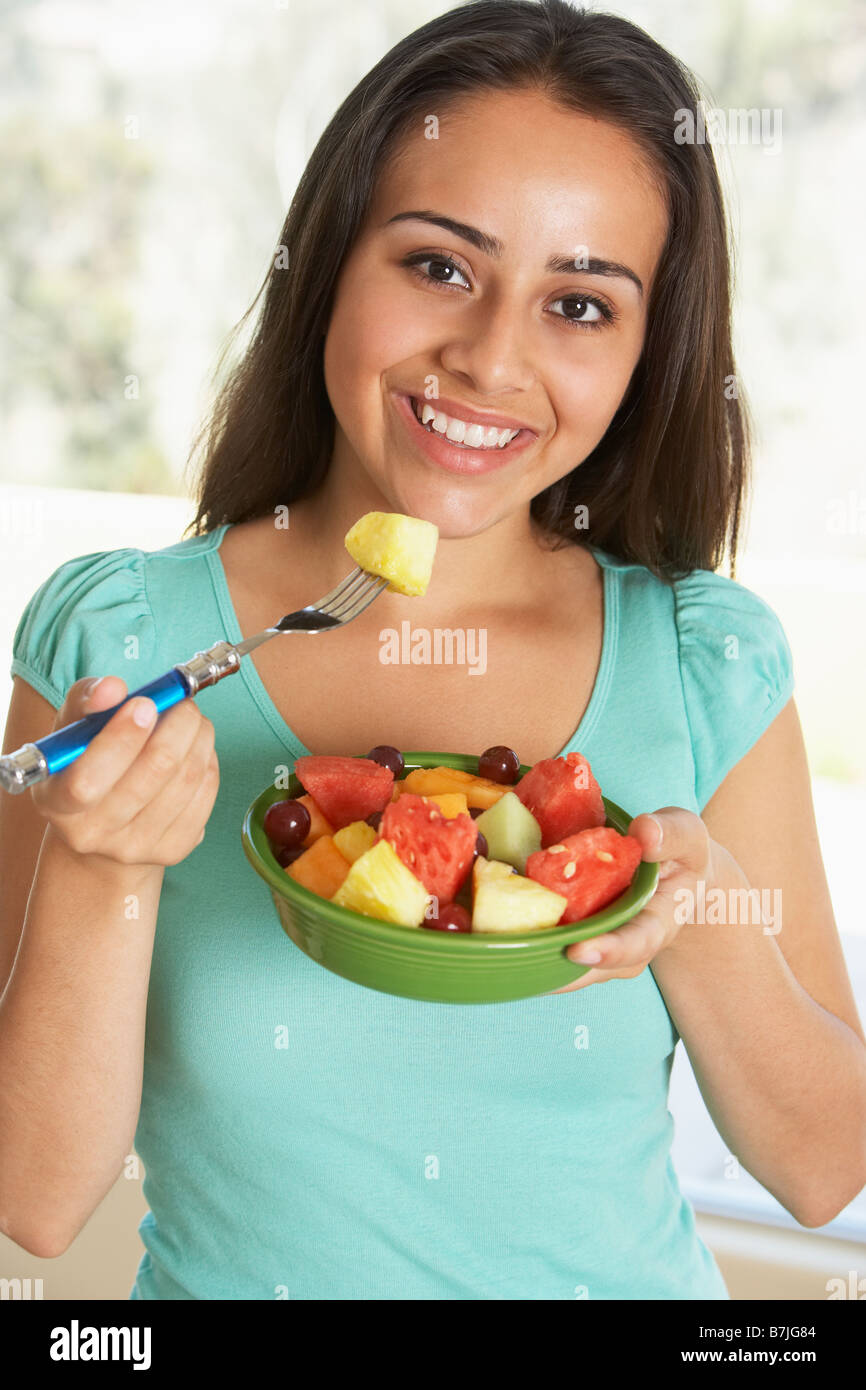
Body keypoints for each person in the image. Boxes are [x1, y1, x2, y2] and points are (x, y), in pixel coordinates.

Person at [2, 0, 864, 1301]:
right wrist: (100, 863)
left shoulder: (702, 660)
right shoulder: (120, 640)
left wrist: (696, 918)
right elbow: (36, 1198)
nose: (488, 357)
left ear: (644, 352)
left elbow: (823, 1166)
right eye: (440, 266)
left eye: (578, 303)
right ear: (331, 262)